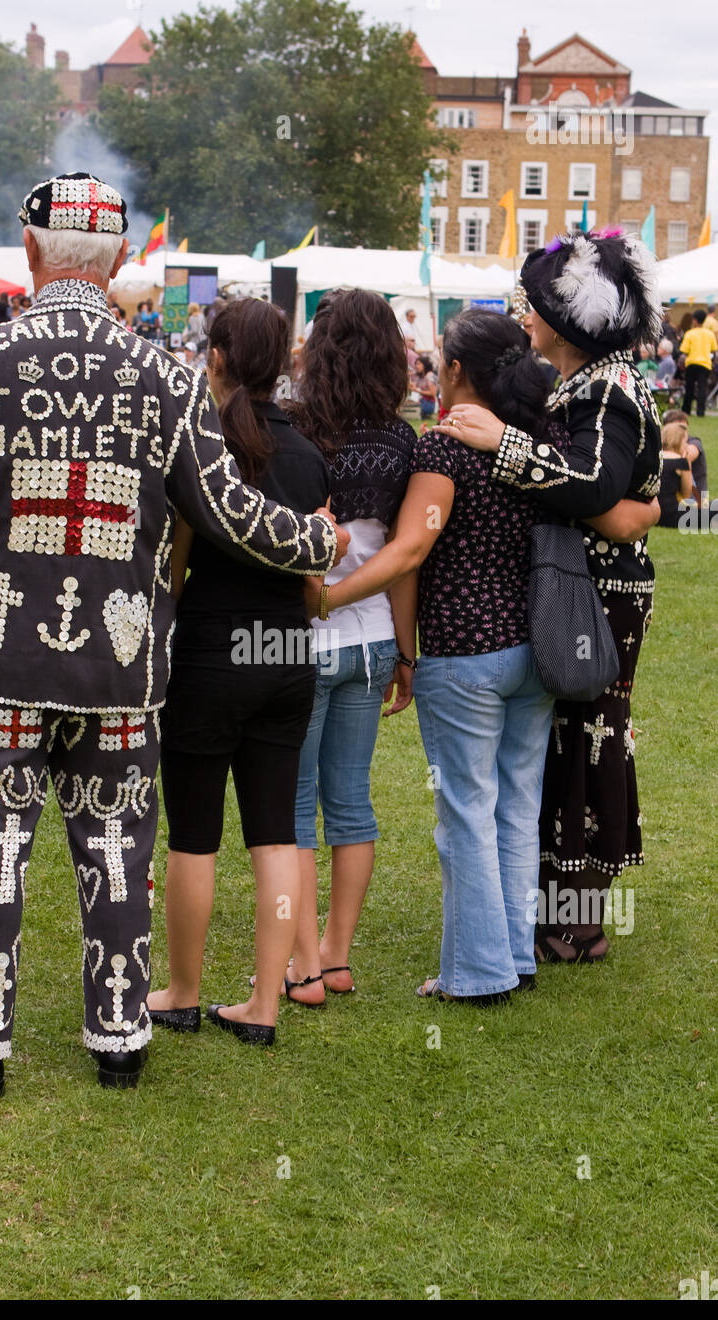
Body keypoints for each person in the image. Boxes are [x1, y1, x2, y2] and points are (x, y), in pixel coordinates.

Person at [0, 170, 347, 1102]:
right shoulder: (167, 379)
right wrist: (318, 539)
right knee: (116, 850)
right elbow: (226, 511)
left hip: (4, 663)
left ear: (30, 252)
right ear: (118, 264)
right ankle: (119, 1033)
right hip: (122, 664)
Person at [309, 310, 656, 1002]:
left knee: (466, 812)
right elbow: (618, 504)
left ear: (459, 371)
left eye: (441, 360)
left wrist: (333, 597)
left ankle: (478, 973)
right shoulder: (540, 444)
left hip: (465, 653)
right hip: (535, 653)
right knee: (515, 809)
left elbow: (409, 551)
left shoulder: (444, 451)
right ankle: (513, 958)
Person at [435, 228, 663, 964]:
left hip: (599, 593)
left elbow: (598, 484)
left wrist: (502, 443)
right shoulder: (590, 383)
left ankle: (577, 920)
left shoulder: (609, 389)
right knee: (569, 739)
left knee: (591, 737)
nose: (523, 317)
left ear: (568, 320)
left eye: (531, 306)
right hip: (581, 581)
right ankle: (549, 908)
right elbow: (612, 495)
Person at [149, 299, 331, 1046]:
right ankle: (263, 1002)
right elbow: (316, 578)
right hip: (286, 651)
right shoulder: (312, 454)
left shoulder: (201, 446)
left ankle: (182, 992)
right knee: (276, 835)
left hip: (212, 652)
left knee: (193, 835)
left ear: (216, 357)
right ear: (285, 359)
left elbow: (174, 570)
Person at [280, 288, 416, 1006]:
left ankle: (300, 967)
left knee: (296, 808)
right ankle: (336, 956)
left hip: (301, 640)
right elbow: (403, 556)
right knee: (352, 804)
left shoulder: (295, 431)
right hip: (369, 643)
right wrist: (405, 653)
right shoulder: (401, 441)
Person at [663, 408, 707, 503]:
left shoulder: (693, 442)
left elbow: (689, 455)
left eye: (685, 428)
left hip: (696, 499)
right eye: (679, 428)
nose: (683, 432)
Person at [679, 309, 717, 417]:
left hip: (692, 362)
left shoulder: (690, 333)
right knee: (702, 388)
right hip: (705, 363)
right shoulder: (710, 334)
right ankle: (701, 411)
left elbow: (684, 350)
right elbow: (713, 349)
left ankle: (686, 409)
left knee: (689, 387)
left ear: (695, 320)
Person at [655, 419, 693, 526]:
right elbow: (686, 495)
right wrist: (688, 464)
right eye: (685, 441)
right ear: (677, 440)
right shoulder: (681, 462)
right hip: (672, 515)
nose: (686, 445)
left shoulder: (654, 457)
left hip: (651, 513)